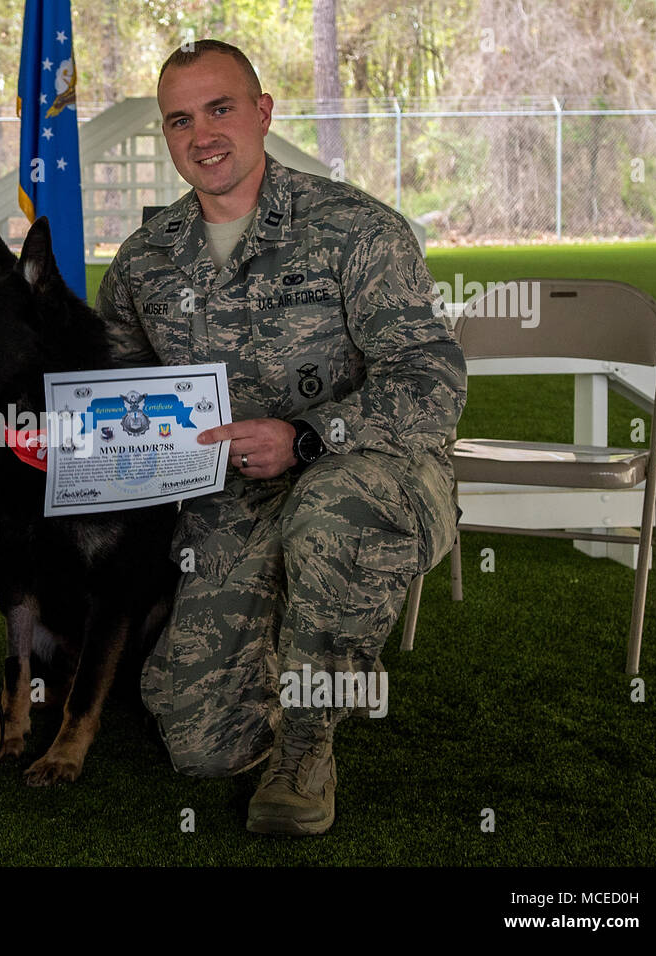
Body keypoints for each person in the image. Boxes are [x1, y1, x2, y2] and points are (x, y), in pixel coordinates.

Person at [94, 40, 465, 835]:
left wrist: (305, 436)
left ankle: (308, 744)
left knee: (331, 515)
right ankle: (274, 647)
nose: (203, 135)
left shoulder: (354, 229)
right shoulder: (143, 262)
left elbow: (431, 383)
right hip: (232, 495)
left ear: (263, 112)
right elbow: (118, 402)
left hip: (370, 474)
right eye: (180, 120)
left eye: (221, 108)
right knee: (200, 744)